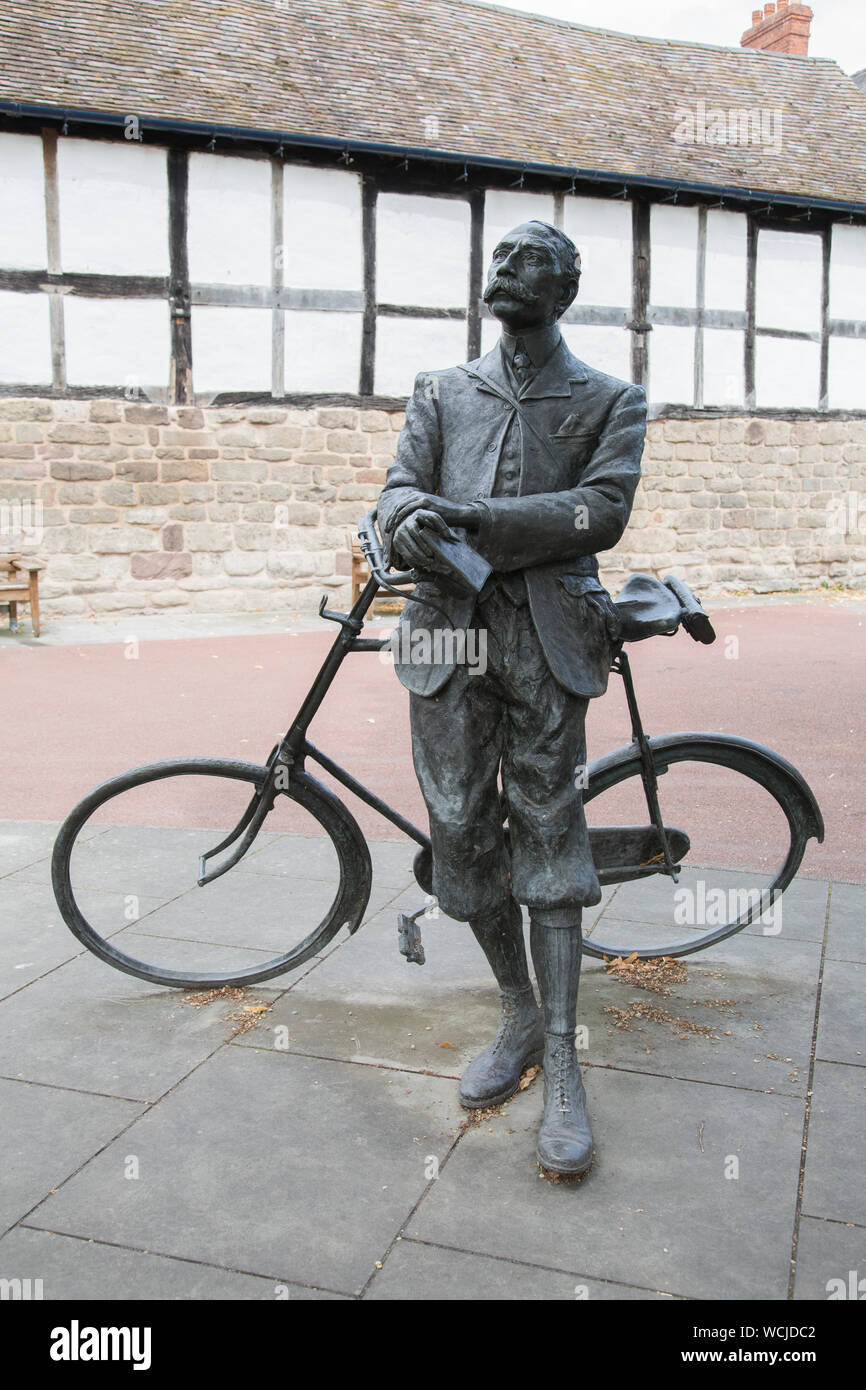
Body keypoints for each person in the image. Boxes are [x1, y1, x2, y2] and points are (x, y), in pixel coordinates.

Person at [376, 221, 646, 1174]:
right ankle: (518, 1011)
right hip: (448, 631)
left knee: (548, 823)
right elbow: (397, 489)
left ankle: (566, 1061)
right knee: (456, 826)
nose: (503, 271)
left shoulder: (609, 399)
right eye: (496, 257)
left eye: (526, 261)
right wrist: (406, 516)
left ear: (564, 289)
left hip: (544, 633)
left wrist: (481, 519)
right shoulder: (441, 391)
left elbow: (602, 511)